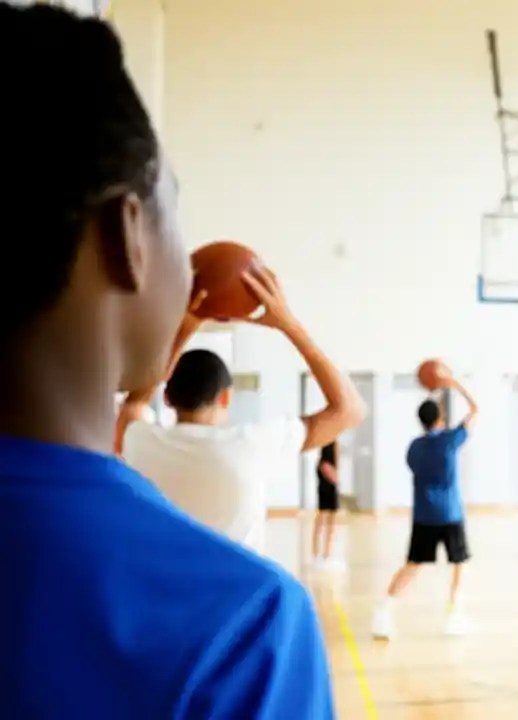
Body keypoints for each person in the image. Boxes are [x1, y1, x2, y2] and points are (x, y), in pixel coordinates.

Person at [0, 5, 333, 715]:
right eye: (174, 208)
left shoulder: (143, 436)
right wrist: (281, 322)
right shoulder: (242, 627)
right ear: (128, 234)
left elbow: (132, 405)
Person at [117, 268, 366, 554]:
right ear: (225, 398)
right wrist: (288, 324)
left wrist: (187, 323)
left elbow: (134, 404)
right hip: (237, 596)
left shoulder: (141, 441)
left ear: (168, 397)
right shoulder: (251, 445)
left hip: (160, 594)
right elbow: (350, 409)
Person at [373, 375, 479, 639]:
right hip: (450, 514)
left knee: (412, 565)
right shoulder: (450, 440)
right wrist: (456, 385)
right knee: (460, 565)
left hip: (424, 515)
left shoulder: (415, 447)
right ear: (440, 418)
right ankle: (454, 617)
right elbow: (475, 410)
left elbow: (415, 466)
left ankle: (384, 613)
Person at [312, 441, 340, 569]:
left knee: (327, 519)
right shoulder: (330, 443)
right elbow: (325, 464)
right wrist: (335, 477)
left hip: (328, 481)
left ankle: (325, 553)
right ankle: (320, 553)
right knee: (324, 517)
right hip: (328, 482)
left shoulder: (331, 442)